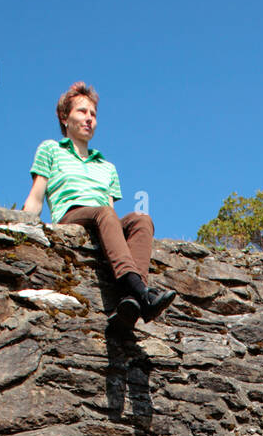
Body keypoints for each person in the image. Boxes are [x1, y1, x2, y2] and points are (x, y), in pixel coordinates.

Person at [22, 81, 176, 331]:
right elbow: (37, 196)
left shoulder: (107, 166)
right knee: (104, 213)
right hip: (70, 215)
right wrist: (24, 229)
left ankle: (130, 301)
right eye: (82, 112)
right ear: (64, 118)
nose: (89, 119)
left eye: (93, 114)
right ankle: (142, 292)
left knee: (141, 219)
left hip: (102, 219)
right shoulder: (50, 149)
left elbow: (111, 212)